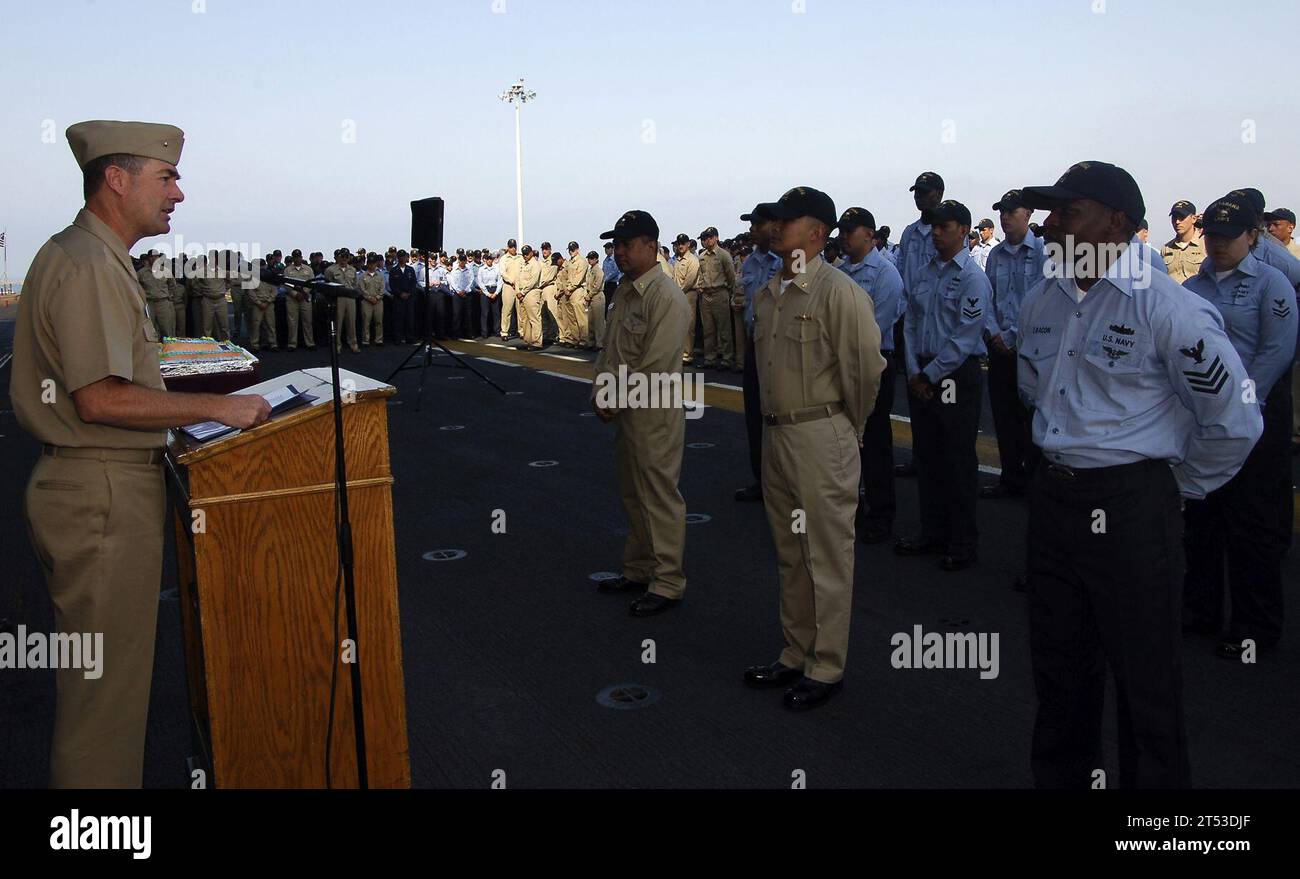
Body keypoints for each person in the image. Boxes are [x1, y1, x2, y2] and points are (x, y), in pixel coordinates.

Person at [10, 120, 271, 788]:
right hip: (98, 490)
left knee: (109, 694)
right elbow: (99, 398)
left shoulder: (95, 256)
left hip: (97, 485)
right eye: (167, 177)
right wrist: (217, 405)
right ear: (117, 180)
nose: (178, 193)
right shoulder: (91, 264)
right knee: (104, 708)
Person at [1017, 160, 1262, 788]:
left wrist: (1173, 489)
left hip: (1130, 508)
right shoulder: (1043, 298)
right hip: (1055, 504)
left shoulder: (1167, 307)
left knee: (1145, 684)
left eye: (1067, 212)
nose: (1049, 226)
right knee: (1060, 673)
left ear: (1115, 223)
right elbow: (1033, 391)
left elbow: (1235, 419)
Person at [742, 186, 885, 711]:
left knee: (825, 557)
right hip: (776, 435)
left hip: (821, 434)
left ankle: (827, 666)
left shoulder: (838, 293)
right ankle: (794, 651)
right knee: (790, 553)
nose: (776, 226)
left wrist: (848, 430)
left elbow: (866, 372)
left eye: (789, 219)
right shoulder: (768, 293)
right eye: (774, 218)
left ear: (818, 233)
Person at [1181, 195, 1296, 659]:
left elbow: (1277, 351)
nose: (1219, 244)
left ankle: (1253, 626)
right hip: (1206, 422)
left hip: (1258, 417)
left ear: (1253, 237)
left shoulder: (1273, 284)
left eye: (1230, 237)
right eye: (1212, 236)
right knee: (1204, 521)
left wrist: (1241, 404)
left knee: (1252, 527)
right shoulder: (1191, 288)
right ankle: (1201, 610)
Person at [591, 210, 690, 616]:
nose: (620, 253)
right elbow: (610, 351)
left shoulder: (666, 297)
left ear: (651, 246)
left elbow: (655, 365)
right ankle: (638, 569)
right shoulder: (625, 292)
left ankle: (667, 582)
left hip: (653, 409)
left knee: (659, 496)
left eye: (627, 245)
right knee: (633, 493)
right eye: (616, 245)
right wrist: (600, 390)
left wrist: (611, 399)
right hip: (626, 408)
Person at [895, 199, 990, 571]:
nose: (935, 232)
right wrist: (915, 368)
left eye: (944, 226)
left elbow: (966, 337)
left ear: (963, 231)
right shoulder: (925, 272)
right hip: (923, 372)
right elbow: (912, 323)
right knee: (929, 456)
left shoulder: (972, 278)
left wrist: (927, 375)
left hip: (954, 375)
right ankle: (931, 532)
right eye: (933, 226)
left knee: (957, 460)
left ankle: (962, 541)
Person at [836, 207, 904, 543]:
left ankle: (881, 514)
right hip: (842, 366)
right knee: (848, 446)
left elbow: (878, 327)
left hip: (875, 364)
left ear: (870, 234)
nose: (844, 237)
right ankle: (856, 510)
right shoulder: (842, 272)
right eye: (842, 231)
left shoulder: (885, 273)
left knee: (875, 443)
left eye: (851, 231)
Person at [981, 189, 1048, 499]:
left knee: (1033, 417)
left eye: (1011, 211)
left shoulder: (1044, 253)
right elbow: (988, 298)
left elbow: (1041, 304)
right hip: (1000, 348)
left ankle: (1035, 483)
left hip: (1031, 349)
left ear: (1028, 214)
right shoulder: (995, 255)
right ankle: (1011, 478)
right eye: (1001, 212)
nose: (1005, 217)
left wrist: (1011, 336)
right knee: (1004, 417)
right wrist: (995, 332)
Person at [895, 171, 945, 477]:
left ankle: (941, 462)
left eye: (925, 192)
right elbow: (902, 276)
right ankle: (920, 458)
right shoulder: (910, 233)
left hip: (941, 324)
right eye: (917, 192)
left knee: (944, 404)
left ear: (938, 194)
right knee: (917, 397)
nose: (919, 197)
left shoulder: (949, 229)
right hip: (913, 321)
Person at [734, 203, 783, 504]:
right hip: (755, 342)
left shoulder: (788, 262)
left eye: (757, 224)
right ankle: (761, 479)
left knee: (777, 415)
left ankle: (781, 482)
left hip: (779, 347)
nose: (752, 229)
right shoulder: (752, 262)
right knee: (754, 414)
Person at [696, 226, 740, 369]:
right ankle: (710, 358)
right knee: (708, 329)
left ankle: (727, 358)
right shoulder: (701, 257)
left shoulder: (723, 255)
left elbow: (731, 276)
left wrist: (731, 293)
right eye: (705, 238)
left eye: (710, 237)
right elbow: (701, 275)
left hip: (720, 292)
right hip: (706, 294)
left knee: (724, 328)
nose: (707, 240)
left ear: (716, 238)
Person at [671, 233, 700, 363]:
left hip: (688, 293)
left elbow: (690, 279)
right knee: (678, 324)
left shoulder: (692, 260)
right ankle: (681, 351)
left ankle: (688, 353)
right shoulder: (677, 259)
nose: (681, 246)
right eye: (679, 243)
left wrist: (679, 291)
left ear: (688, 244)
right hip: (678, 293)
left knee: (689, 325)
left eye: (683, 243)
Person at [324, 249, 360, 353]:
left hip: (350, 298)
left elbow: (355, 284)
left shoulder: (352, 270)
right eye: (342, 257)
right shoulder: (330, 270)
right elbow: (327, 286)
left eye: (346, 257)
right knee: (337, 323)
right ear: (338, 257)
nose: (344, 259)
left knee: (351, 322)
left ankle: (353, 344)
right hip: (338, 298)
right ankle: (336, 346)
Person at [1160, 200, 1205, 283]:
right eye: (1174, 218)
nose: (1177, 222)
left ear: (1194, 219)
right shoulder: (1166, 249)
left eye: (1182, 217)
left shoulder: (1205, 245)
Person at [136, 250, 174, 338]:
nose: (154, 258)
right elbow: (136, 286)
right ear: (148, 258)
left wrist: (169, 296)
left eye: (156, 256)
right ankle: (152, 350)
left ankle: (169, 349)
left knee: (166, 328)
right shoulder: (141, 273)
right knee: (149, 328)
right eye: (152, 256)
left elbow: (172, 285)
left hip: (163, 302)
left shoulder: (165, 271)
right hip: (149, 303)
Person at [283, 249, 315, 350]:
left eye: (298, 256)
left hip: (305, 297)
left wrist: (304, 293)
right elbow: (286, 284)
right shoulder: (287, 270)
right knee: (292, 322)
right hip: (292, 298)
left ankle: (310, 343)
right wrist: (295, 294)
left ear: (301, 257)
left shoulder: (308, 269)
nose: (297, 258)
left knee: (307, 321)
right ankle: (292, 344)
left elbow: (312, 283)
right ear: (293, 258)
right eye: (295, 257)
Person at [245, 261, 279, 352]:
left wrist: (268, 302)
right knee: (256, 325)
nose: (261, 268)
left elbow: (274, 291)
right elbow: (251, 292)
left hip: (269, 304)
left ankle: (273, 344)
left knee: (271, 325)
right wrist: (259, 303)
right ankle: (254, 345)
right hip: (257, 304)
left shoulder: (270, 277)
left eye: (262, 266)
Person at [515, 245, 543, 350]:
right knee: (524, 319)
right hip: (522, 294)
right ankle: (528, 341)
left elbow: (533, 281)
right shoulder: (523, 265)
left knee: (534, 318)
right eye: (524, 254)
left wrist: (522, 292)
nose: (525, 256)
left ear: (531, 253)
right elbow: (517, 279)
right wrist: (518, 291)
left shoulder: (535, 264)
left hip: (531, 292)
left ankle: (536, 342)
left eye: (527, 253)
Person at [358, 253, 386, 345]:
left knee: (379, 321)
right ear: (367, 264)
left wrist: (377, 297)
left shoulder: (380, 275)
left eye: (373, 263)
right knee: (366, 322)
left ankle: (379, 340)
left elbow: (382, 289)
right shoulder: (363, 276)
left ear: (376, 264)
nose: (372, 265)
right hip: (366, 301)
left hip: (378, 301)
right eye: (370, 263)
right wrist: (370, 298)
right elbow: (362, 290)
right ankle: (366, 340)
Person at [498, 238, 523, 341]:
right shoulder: (504, 258)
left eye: (514, 247)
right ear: (508, 247)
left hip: (519, 286)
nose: (513, 249)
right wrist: (511, 281)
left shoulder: (520, 258)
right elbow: (503, 273)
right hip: (508, 285)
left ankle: (521, 331)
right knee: (507, 310)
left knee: (520, 310)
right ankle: (504, 332)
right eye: (511, 247)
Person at [476, 251, 502, 340]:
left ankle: (497, 331)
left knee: (496, 313)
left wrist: (496, 293)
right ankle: (484, 332)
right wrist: (487, 293)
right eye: (488, 259)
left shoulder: (496, 268)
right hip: (485, 290)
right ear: (485, 260)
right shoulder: (481, 269)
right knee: (485, 313)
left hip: (494, 289)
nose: (489, 261)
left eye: (491, 259)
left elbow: (500, 281)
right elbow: (480, 282)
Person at [582, 250, 605, 349]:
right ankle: (591, 342)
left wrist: (589, 295)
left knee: (598, 322)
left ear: (596, 259)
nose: (589, 260)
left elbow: (597, 286)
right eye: (588, 258)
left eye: (591, 258)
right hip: (590, 297)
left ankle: (599, 343)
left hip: (597, 296)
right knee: (591, 321)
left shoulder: (598, 271)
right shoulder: (590, 270)